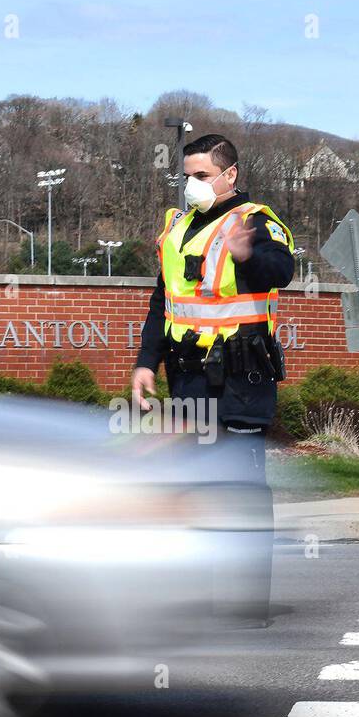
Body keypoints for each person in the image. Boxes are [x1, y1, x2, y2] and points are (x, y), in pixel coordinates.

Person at [130, 133, 295, 623]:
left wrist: (250, 256)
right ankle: (198, 596)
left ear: (230, 175)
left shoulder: (254, 222)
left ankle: (247, 605)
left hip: (242, 375)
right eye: (186, 176)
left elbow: (281, 270)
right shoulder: (178, 226)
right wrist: (145, 362)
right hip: (187, 378)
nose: (191, 185)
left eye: (201, 176)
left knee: (242, 487)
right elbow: (165, 302)